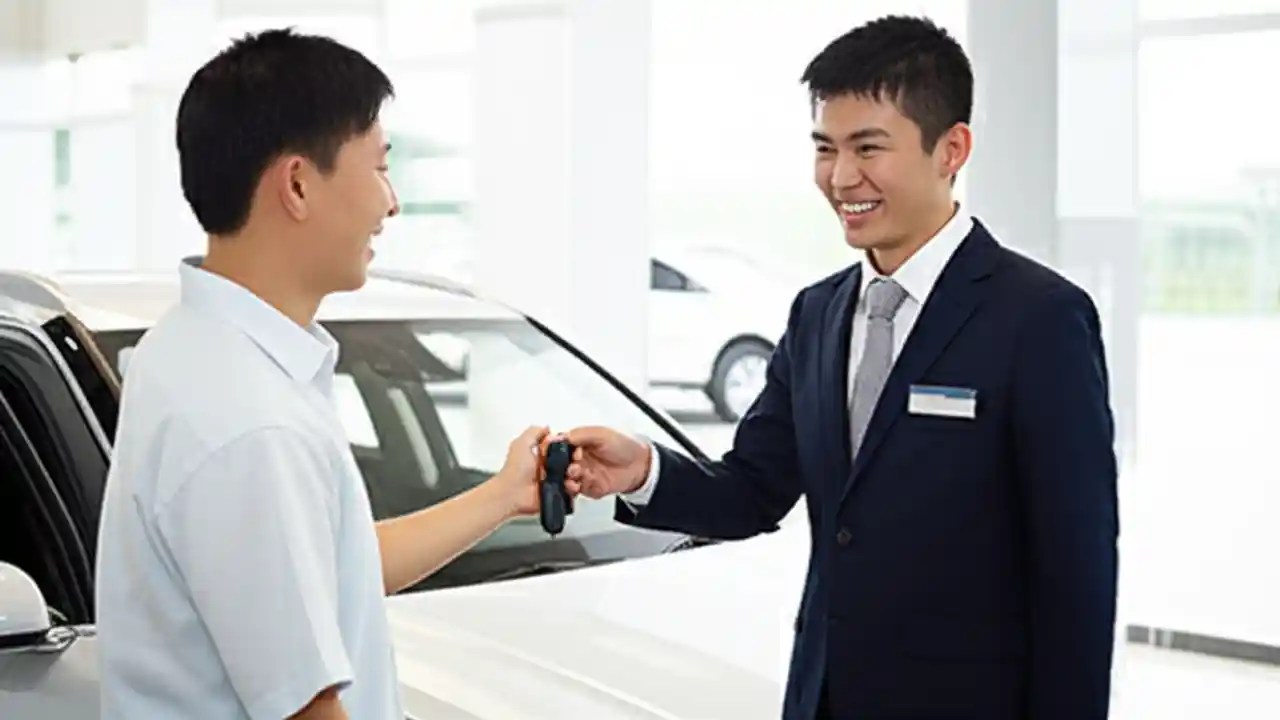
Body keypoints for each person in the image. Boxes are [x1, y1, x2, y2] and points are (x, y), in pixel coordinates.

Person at [564, 15, 1119, 720]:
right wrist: (643, 470)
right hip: (825, 698)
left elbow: (1076, 570)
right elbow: (754, 490)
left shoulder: (1038, 319)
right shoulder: (817, 313)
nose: (840, 177)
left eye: (868, 148)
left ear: (952, 149)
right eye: (825, 148)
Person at [95, 29, 550, 720]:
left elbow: (335, 566)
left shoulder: (193, 347)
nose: (390, 203)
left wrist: (503, 496)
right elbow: (304, 710)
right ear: (300, 184)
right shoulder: (248, 423)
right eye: (379, 167)